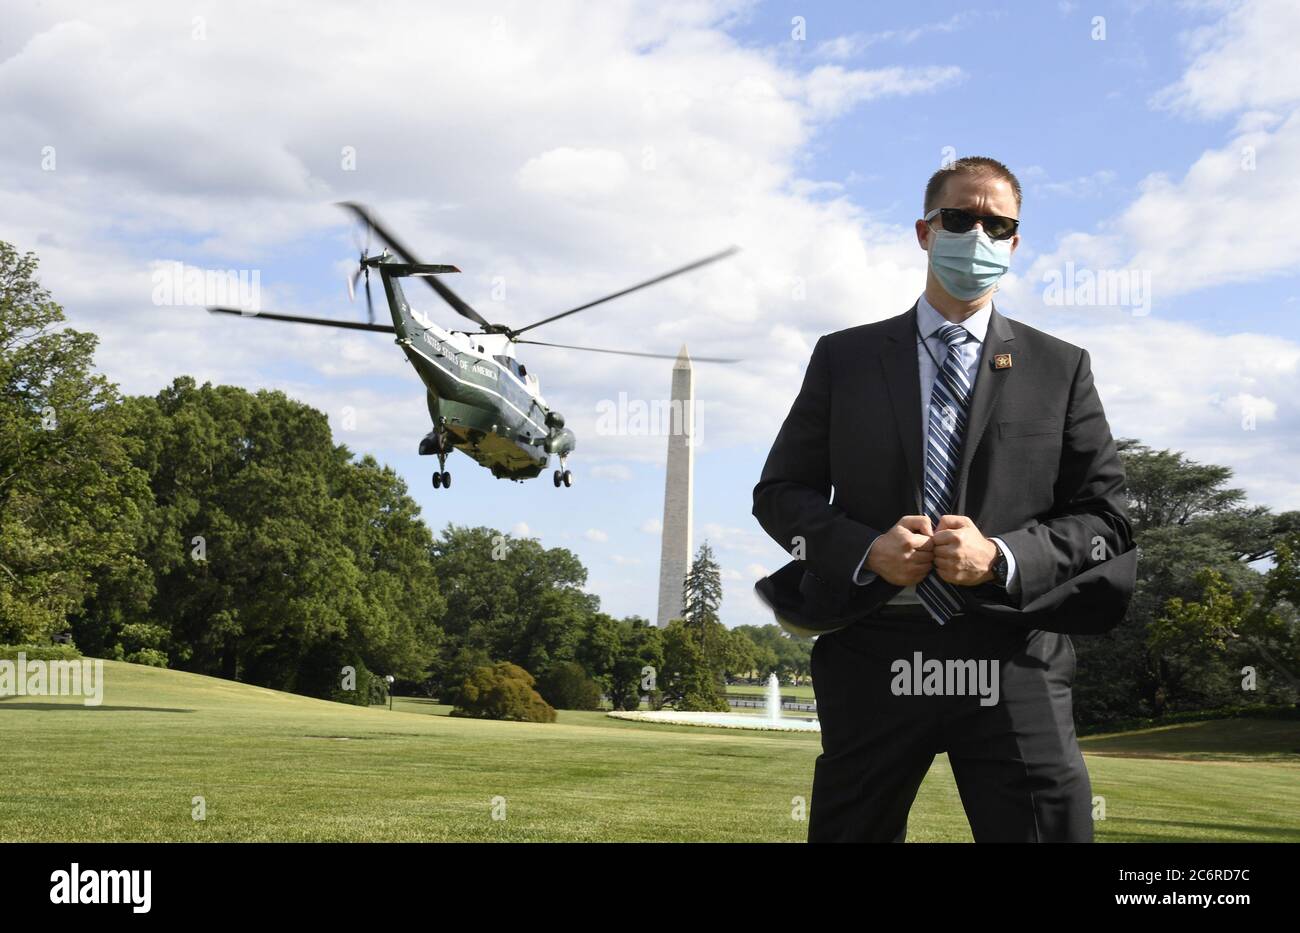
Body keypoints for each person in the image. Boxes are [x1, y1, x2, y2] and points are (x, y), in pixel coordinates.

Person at [751, 156, 1136, 843]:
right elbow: (781, 493)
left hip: (1012, 652)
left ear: (1015, 244)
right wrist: (865, 549)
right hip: (875, 647)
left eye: (998, 223)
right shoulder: (844, 357)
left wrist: (1003, 556)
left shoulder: (1061, 366)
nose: (978, 233)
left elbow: (1107, 518)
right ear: (925, 231)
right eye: (960, 217)